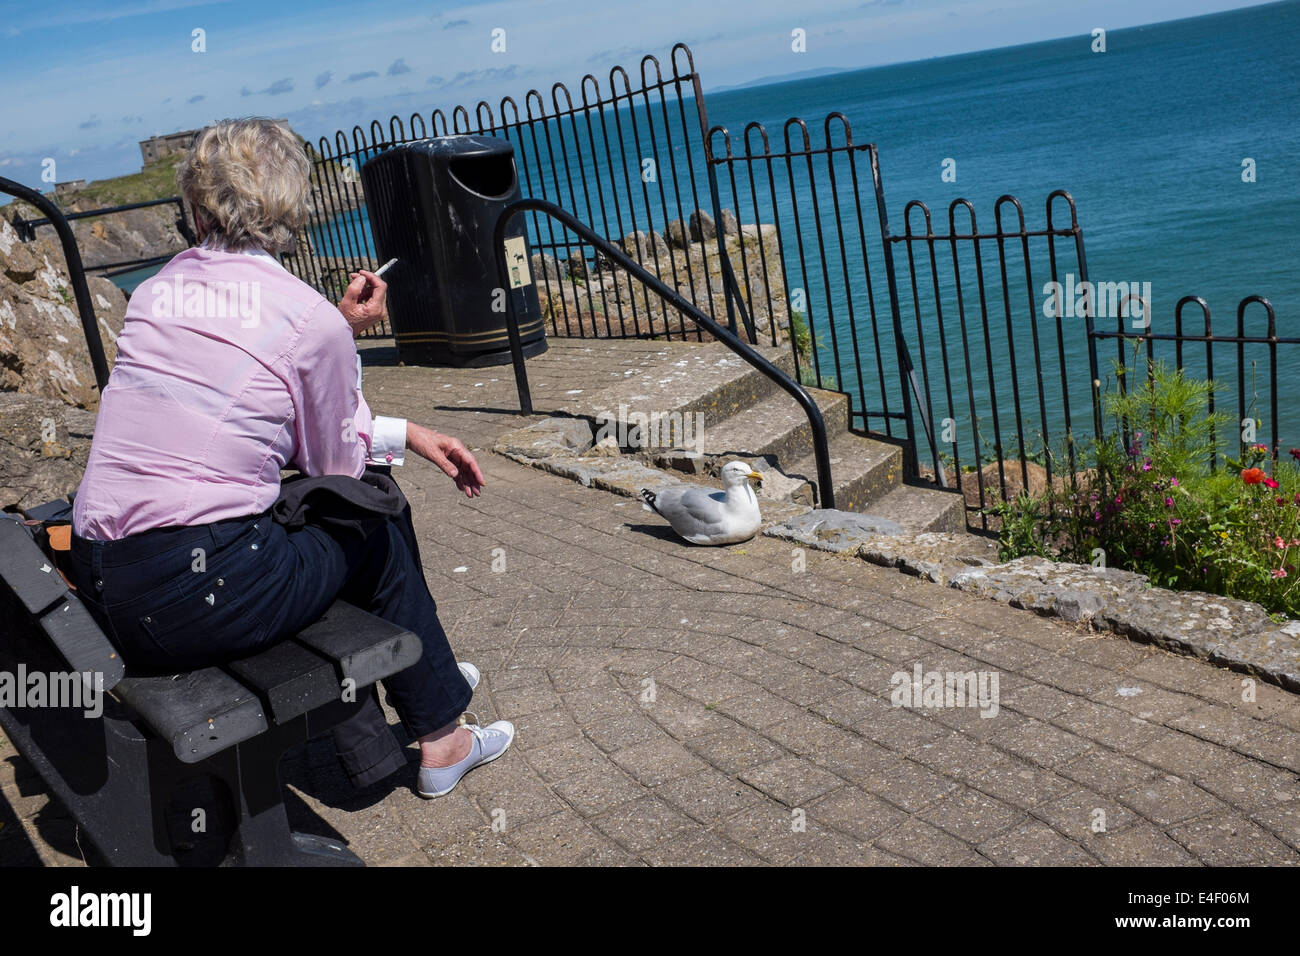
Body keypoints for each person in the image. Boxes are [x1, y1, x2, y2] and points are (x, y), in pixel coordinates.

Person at [65, 117, 513, 799]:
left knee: (332, 520)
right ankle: (443, 736)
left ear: (195, 204)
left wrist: (382, 396)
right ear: (290, 205)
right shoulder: (306, 319)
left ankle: (429, 679)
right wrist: (340, 341)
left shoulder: (158, 292)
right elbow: (337, 468)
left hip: (104, 578)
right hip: (193, 596)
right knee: (372, 517)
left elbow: (249, 384)